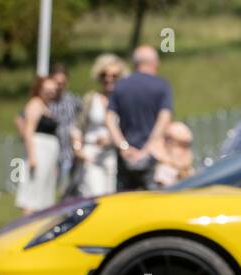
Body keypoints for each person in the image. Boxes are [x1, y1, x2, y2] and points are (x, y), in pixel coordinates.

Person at [105, 45, 174, 191]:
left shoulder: (120, 86)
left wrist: (123, 146)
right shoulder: (161, 86)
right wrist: (148, 148)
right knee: (155, 204)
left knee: (125, 204)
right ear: (154, 63)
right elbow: (164, 118)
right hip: (153, 156)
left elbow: (110, 119)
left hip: (126, 158)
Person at [71, 54, 124, 198]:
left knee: (112, 198)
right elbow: (77, 126)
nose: (109, 79)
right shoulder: (91, 99)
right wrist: (78, 149)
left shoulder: (124, 101)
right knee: (95, 196)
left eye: (114, 75)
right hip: (91, 153)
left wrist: (113, 141)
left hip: (114, 155)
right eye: (104, 75)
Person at [16, 75, 61, 214]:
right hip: (38, 151)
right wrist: (32, 157)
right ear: (39, 89)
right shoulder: (35, 104)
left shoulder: (47, 106)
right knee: (32, 194)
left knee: (44, 194)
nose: (50, 92)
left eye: (52, 89)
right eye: (47, 89)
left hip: (48, 154)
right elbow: (29, 132)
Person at [47, 63, 82, 196]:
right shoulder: (46, 102)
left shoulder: (73, 100)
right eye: (57, 82)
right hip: (52, 152)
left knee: (67, 189)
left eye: (62, 83)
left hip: (69, 153)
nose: (59, 86)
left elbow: (83, 119)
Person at [152, 121, 195, 187]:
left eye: (186, 146)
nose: (184, 151)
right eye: (180, 146)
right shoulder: (164, 171)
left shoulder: (189, 170)